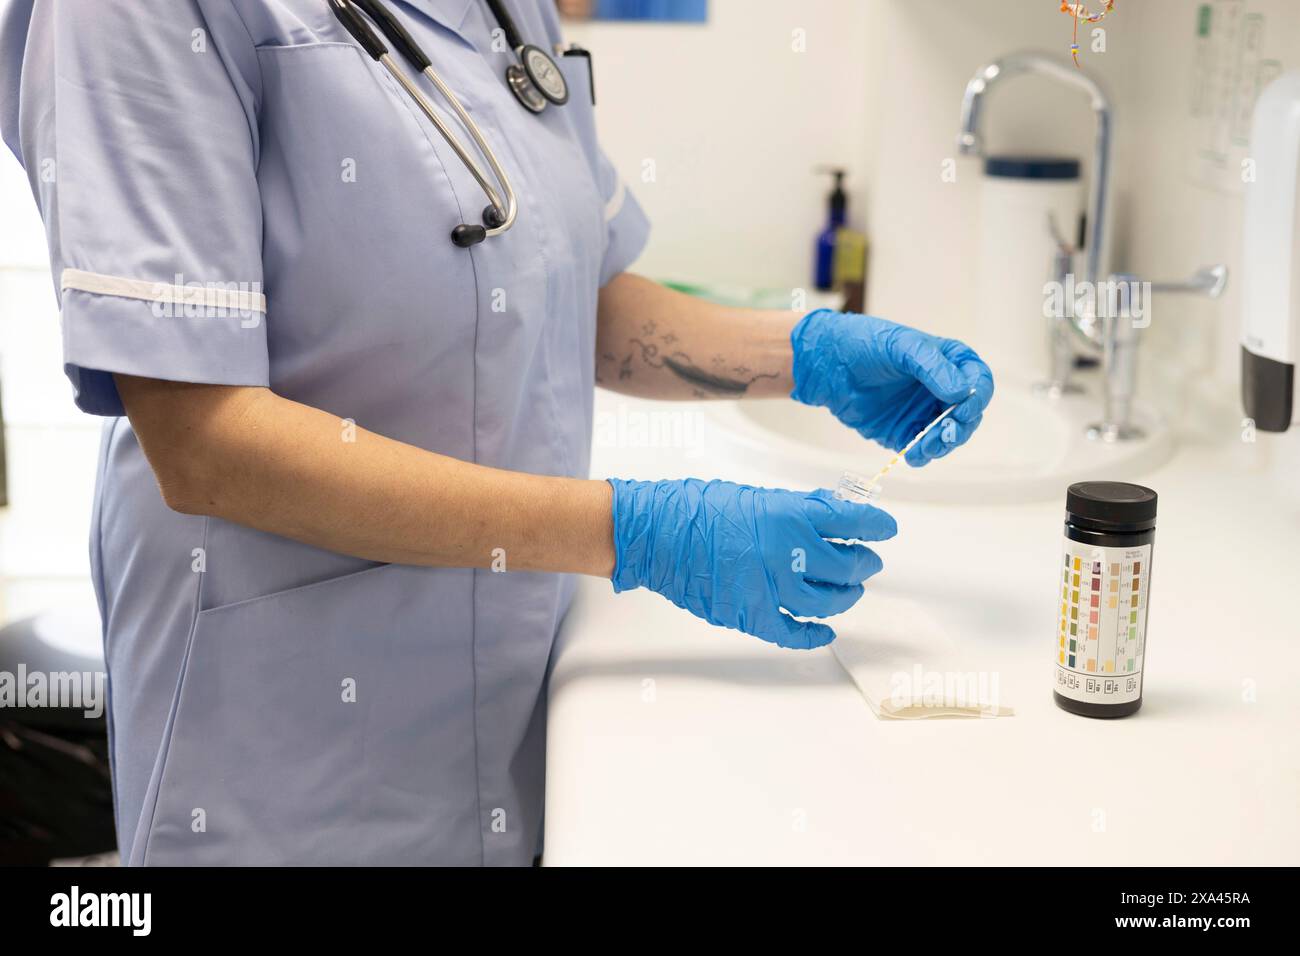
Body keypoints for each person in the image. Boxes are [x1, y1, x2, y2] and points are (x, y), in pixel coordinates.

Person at [0, 0, 993, 865]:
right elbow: (203, 439)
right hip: (281, 737)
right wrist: (634, 531)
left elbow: (572, 293)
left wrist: (806, 352)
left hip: (499, 700)